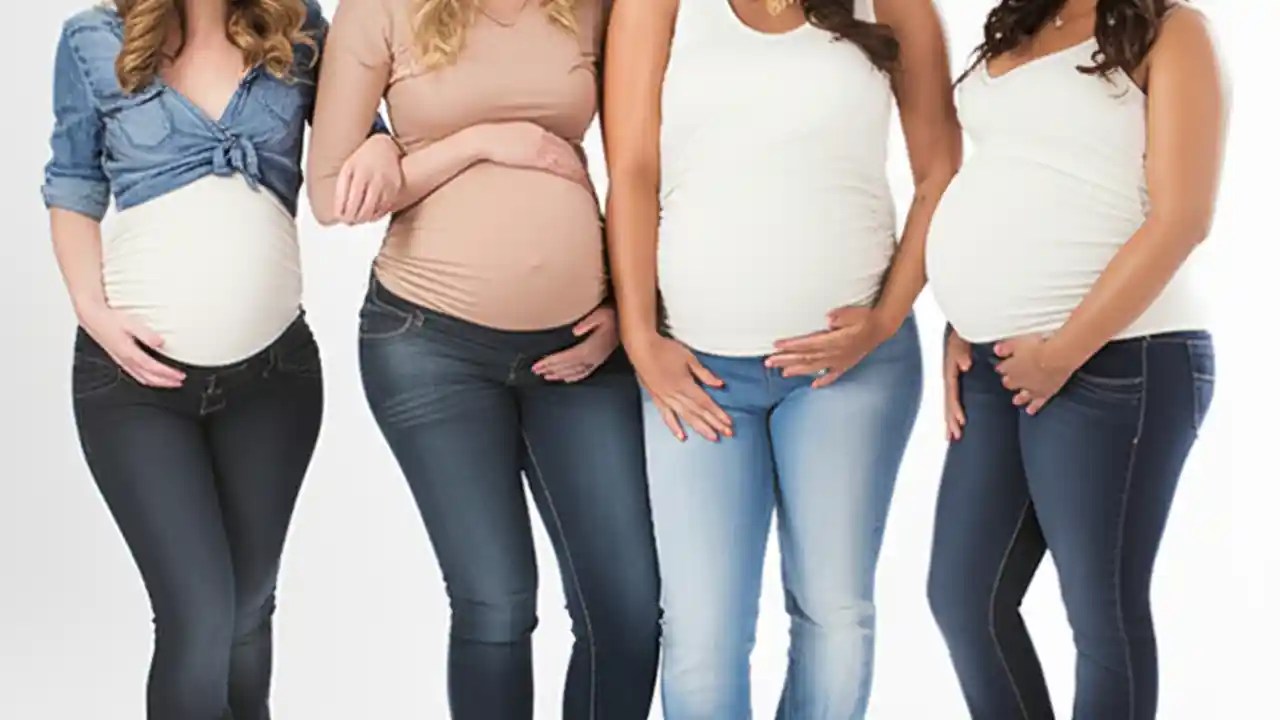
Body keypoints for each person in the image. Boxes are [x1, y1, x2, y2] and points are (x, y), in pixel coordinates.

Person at [42, 1, 398, 717]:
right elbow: (72, 186)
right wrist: (93, 311)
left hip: (274, 383)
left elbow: (355, 131)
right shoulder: (93, 39)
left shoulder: (298, 27)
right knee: (199, 617)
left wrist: (382, 142)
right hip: (133, 387)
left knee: (245, 613)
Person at [604, 0, 959, 716]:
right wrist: (642, 340)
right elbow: (633, 169)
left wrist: (887, 317)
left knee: (835, 612)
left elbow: (940, 172)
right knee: (703, 633)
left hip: (851, 374)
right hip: (696, 372)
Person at [306, 1, 660, 718]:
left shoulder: (592, 6)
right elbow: (329, 194)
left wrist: (629, 307)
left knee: (626, 615)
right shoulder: (381, 10)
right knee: (496, 606)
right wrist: (483, 142)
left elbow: (643, 162)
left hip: (583, 353)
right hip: (432, 348)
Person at [925, 1, 1227, 718]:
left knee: (1101, 613)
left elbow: (1184, 215)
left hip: (1123, 356)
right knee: (964, 596)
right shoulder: (1021, 24)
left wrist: (1063, 351)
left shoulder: (1172, 29)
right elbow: (1011, 175)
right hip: (1003, 363)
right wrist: (967, 318)